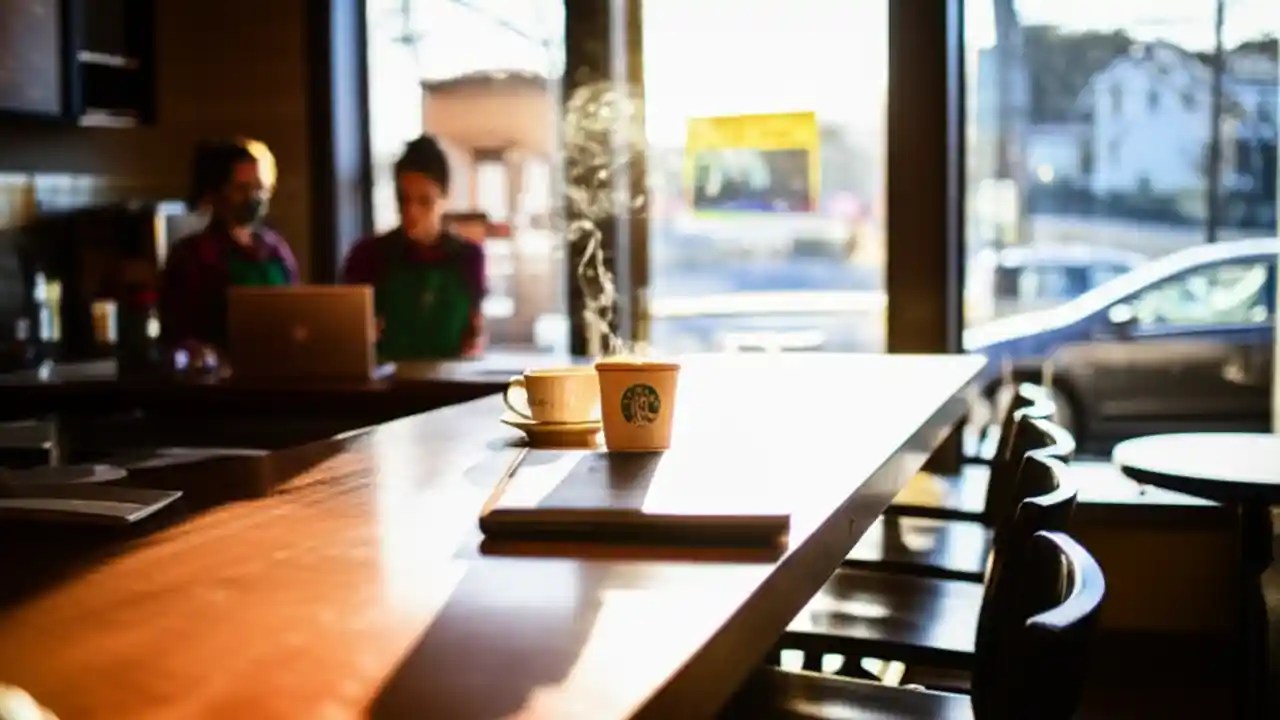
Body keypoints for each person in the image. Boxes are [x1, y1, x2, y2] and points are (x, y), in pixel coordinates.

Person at [342, 135, 485, 360]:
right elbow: (347, 335)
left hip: (452, 382)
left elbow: (473, 330)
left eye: (424, 201)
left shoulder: (468, 257)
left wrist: (474, 341)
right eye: (403, 200)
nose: (412, 212)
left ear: (445, 198)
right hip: (386, 385)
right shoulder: (367, 254)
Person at [159, 138, 299, 353]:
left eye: (259, 188)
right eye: (241, 189)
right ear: (215, 193)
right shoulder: (193, 255)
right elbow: (179, 332)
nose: (254, 197)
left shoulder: (276, 249)